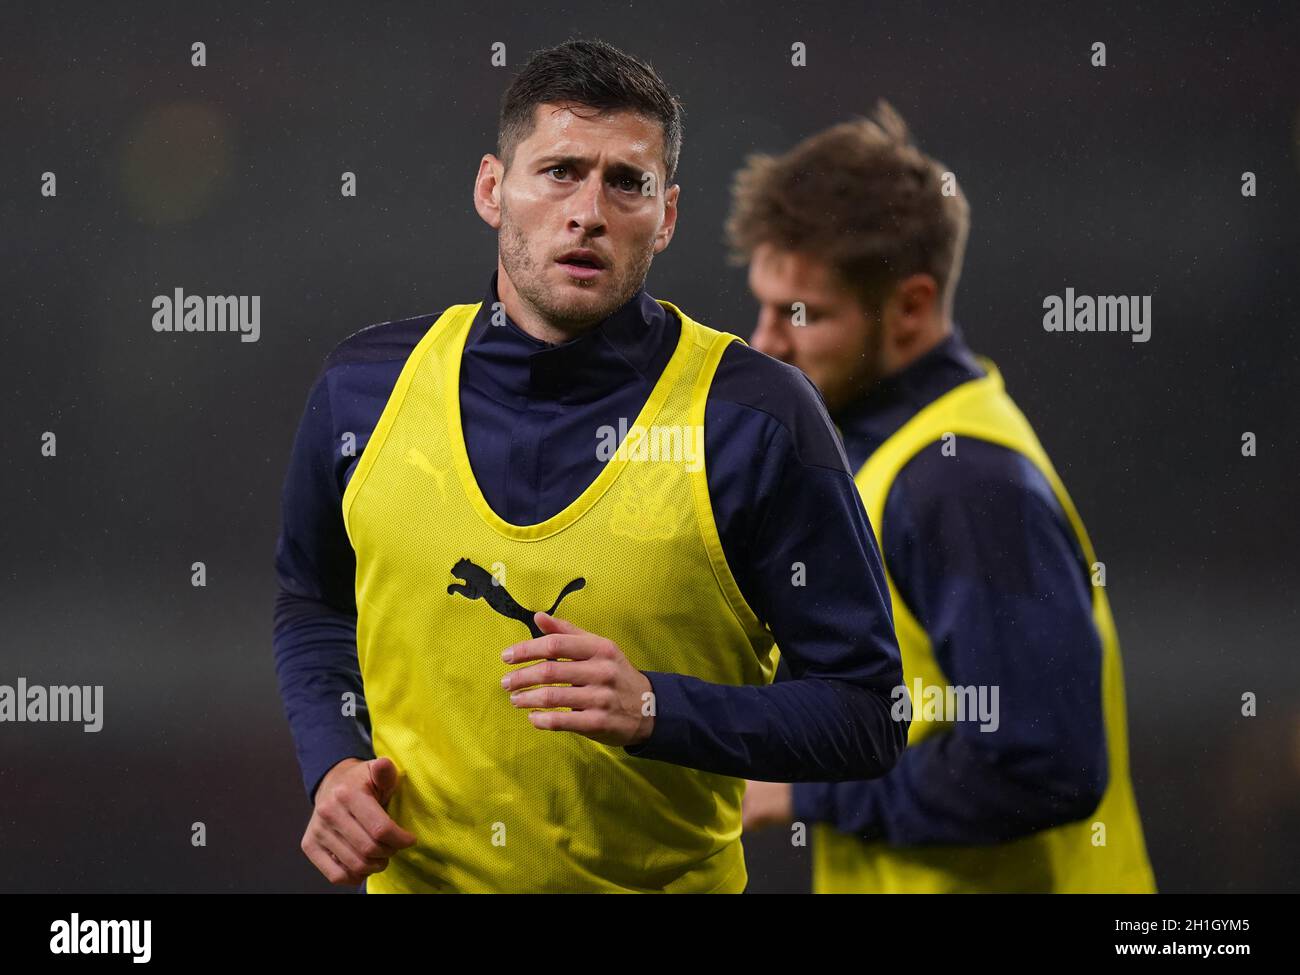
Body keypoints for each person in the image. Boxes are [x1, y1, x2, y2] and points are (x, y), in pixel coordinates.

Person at [272, 40, 906, 893]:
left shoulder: (755, 418)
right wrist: (333, 760)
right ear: (493, 190)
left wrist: (656, 707)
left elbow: (869, 713)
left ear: (669, 215)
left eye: (627, 183)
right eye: (561, 171)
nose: (589, 212)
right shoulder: (362, 388)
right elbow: (312, 600)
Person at [733, 103, 1156, 893]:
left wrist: (804, 789)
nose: (766, 340)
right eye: (763, 303)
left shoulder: (961, 485)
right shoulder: (887, 453)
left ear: (913, 307)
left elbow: (1046, 764)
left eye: (805, 314)